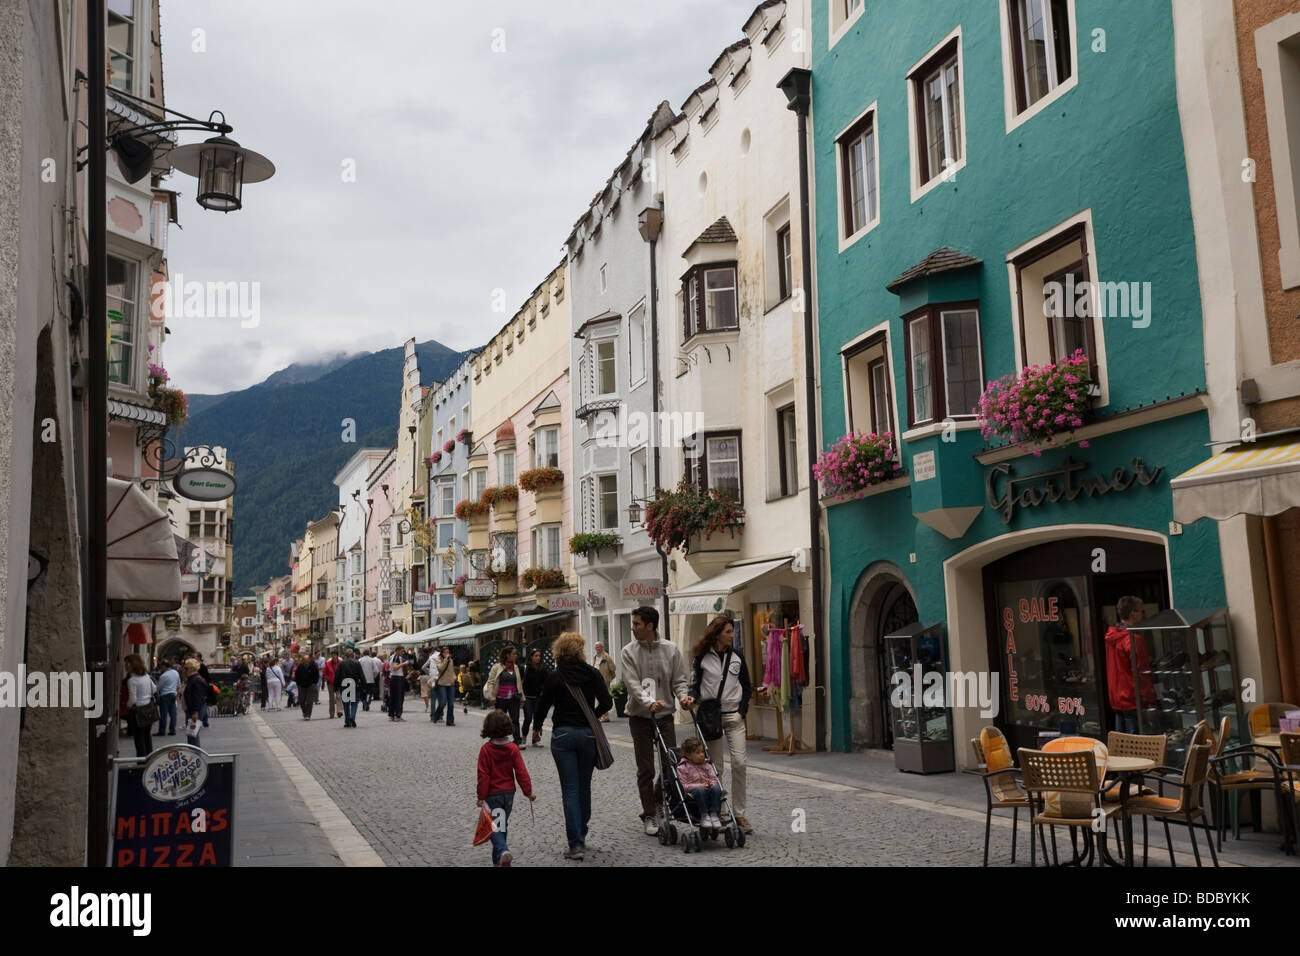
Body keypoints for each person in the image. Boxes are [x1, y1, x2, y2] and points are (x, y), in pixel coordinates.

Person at [532, 632, 612, 861]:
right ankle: (582, 833)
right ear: (579, 651)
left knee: (570, 788)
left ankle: (575, 843)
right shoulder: (592, 673)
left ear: (559, 651)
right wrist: (592, 717)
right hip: (587, 735)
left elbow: (542, 704)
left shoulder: (555, 677)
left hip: (563, 735)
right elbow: (607, 702)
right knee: (584, 786)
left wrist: (536, 728)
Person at [620, 605, 692, 836]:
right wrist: (648, 701)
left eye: (636, 624)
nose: (633, 628)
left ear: (650, 626)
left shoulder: (670, 649)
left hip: (664, 716)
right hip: (640, 717)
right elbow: (632, 684)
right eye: (633, 624)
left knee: (672, 763)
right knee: (646, 768)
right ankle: (649, 813)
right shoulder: (628, 652)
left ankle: (657, 801)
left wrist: (683, 697)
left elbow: (679, 680)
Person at [688, 614, 753, 833]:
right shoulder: (702, 657)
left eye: (732, 631)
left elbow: (747, 685)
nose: (732, 635)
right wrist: (691, 698)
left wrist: (742, 711)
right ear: (717, 634)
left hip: (733, 715)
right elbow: (694, 685)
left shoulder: (737, 656)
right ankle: (722, 812)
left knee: (740, 763)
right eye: (728, 632)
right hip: (710, 716)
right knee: (716, 768)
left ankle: (740, 813)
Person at [477, 709, 534, 867]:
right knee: (501, 825)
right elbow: (521, 772)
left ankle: (502, 850)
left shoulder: (486, 750)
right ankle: (500, 862)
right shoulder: (513, 749)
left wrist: (481, 797)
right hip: (509, 794)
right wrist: (528, 792)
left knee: (494, 826)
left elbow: (483, 775)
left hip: (492, 794)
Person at [1105, 596, 1157, 733]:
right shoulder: (1133, 640)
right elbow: (1141, 672)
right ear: (1133, 613)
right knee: (1136, 744)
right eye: (1141, 611)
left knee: (1122, 745)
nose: (1143, 614)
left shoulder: (1112, 637)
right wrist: (1151, 701)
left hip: (1117, 698)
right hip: (1133, 698)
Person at [677, 737, 724, 831]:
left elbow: (714, 778)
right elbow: (684, 786)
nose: (702, 755)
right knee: (700, 790)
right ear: (688, 755)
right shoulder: (683, 767)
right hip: (694, 792)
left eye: (702, 752)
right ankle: (704, 815)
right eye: (697, 753)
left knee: (717, 788)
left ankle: (714, 814)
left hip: (709, 789)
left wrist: (711, 783)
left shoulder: (707, 765)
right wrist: (700, 785)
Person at [484, 645, 523, 745]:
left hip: (514, 698)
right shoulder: (497, 667)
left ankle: (517, 741)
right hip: (501, 698)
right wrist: (491, 697)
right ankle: (497, 739)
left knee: (515, 720)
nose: (516, 656)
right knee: (499, 721)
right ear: (508, 655)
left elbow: (519, 683)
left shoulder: (516, 667)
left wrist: (522, 698)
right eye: (514, 654)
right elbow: (491, 682)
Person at [124, 654, 157, 757]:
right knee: (147, 736)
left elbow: (133, 699)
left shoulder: (132, 680)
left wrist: (128, 706)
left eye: (126, 664)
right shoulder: (146, 676)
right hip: (149, 708)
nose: (125, 666)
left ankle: (141, 761)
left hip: (138, 711)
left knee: (139, 739)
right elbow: (154, 688)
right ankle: (150, 757)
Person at [519, 649, 549, 746]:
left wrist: (543, 691)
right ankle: (523, 738)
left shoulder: (543, 669)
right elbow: (519, 682)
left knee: (538, 718)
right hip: (527, 697)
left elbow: (547, 682)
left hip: (538, 698)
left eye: (539, 656)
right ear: (531, 657)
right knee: (528, 718)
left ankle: (535, 739)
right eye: (536, 656)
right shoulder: (524, 668)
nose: (538, 658)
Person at [335, 647, 366, 728]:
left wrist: (336, 686)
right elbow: (361, 675)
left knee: (346, 704)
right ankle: (352, 716)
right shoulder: (357, 662)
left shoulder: (342, 663)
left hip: (344, 685)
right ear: (352, 655)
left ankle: (347, 721)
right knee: (354, 703)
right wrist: (364, 685)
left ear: (345, 655)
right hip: (354, 685)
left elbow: (337, 675)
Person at [182, 659, 207, 747]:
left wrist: (195, 712)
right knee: (191, 734)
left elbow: (198, 697)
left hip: (195, 710)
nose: (184, 670)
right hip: (191, 709)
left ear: (192, 669)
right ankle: (193, 754)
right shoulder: (192, 679)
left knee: (193, 734)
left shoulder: (196, 680)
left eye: (186, 668)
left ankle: (196, 755)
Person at [431, 646, 456, 726]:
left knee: (451, 704)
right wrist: (445, 659)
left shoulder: (451, 660)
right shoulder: (438, 659)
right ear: (442, 653)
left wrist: (454, 677)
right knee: (442, 703)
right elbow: (440, 669)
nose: (447, 654)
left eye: (448, 652)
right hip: (442, 683)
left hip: (451, 683)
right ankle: (436, 716)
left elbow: (452, 670)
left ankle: (450, 721)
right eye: (445, 652)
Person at [592, 641, 616, 722]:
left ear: (602, 647)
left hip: (604, 680)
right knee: (599, 698)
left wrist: (609, 678)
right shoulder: (595, 657)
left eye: (599, 647)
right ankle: (601, 715)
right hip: (596, 680)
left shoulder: (606, 657)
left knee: (604, 697)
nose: (598, 649)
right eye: (596, 647)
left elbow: (613, 668)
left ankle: (605, 717)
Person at [156, 660, 180, 736]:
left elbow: (158, 687)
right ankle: (172, 730)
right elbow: (178, 685)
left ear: (164, 666)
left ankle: (162, 731)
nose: (161, 669)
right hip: (173, 694)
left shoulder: (164, 676)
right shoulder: (176, 673)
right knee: (173, 714)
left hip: (165, 695)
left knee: (163, 714)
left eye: (161, 667)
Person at [387, 646, 410, 721]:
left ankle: (391, 714)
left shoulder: (392, 657)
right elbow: (395, 667)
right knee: (399, 698)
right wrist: (404, 663)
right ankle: (398, 715)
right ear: (397, 650)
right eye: (402, 651)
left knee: (393, 697)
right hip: (398, 678)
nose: (403, 653)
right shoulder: (396, 657)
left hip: (394, 678)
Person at [296, 653, 319, 719]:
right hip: (301, 685)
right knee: (301, 700)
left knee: (309, 700)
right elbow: (297, 675)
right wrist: (298, 684)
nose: (306, 661)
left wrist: (314, 683)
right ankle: (304, 712)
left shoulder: (313, 665)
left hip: (310, 685)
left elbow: (316, 675)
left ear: (309, 660)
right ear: (303, 660)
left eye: (307, 660)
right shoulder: (300, 666)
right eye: (305, 660)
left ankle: (308, 715)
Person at [323, 650, 341, 719]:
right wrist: (329, 679)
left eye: (335, 655)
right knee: (332, 699)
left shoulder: (340, 663)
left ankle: (339, 711)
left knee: (339, 697)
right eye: (332, 655)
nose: (333, 656)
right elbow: (324, 674)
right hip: (330, 683)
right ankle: (332, 713)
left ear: (337, 656)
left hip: (338, 683)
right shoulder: (328, 664)